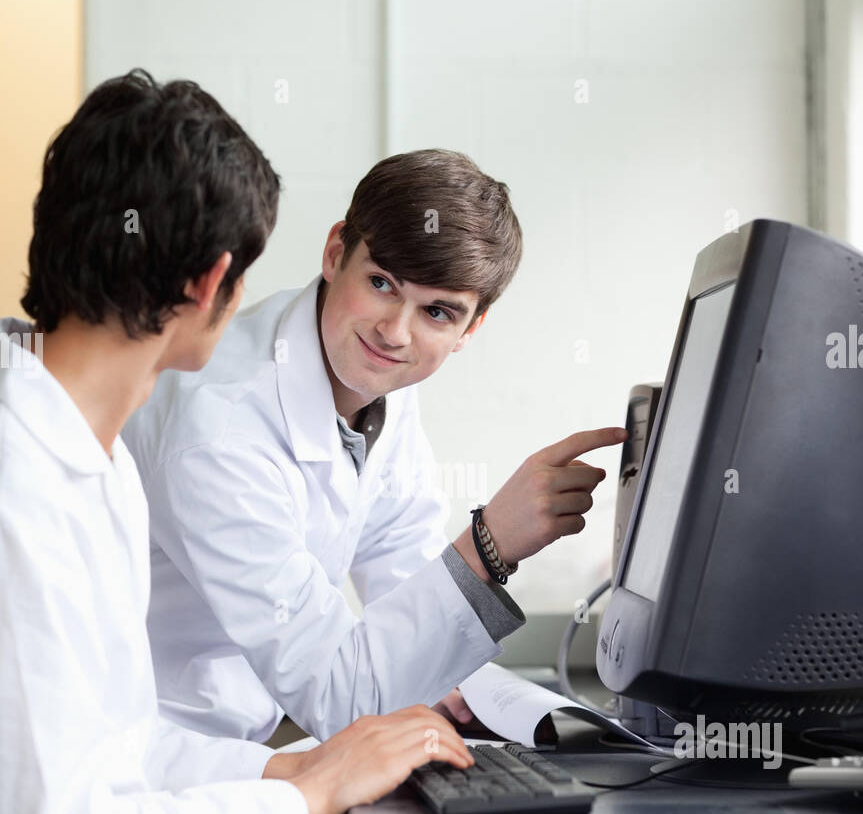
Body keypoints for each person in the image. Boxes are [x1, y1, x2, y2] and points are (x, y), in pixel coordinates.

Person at [0, 69, 473, 814]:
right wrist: (304, 795)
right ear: (217, 279)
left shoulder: (90, 454)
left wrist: (287, 765)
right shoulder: (27, 482)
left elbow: (115, 742)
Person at [124, 149, 627, 743]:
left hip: (251, 736)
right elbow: (340, 696)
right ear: (337, 252)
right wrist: (490, 544)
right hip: (162, 755)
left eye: (437, 312)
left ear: (471, 328)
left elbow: (401, 559)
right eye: (382, 284)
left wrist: (440, 671)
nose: (396, 332)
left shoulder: (375, 371)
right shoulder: (221, 430)